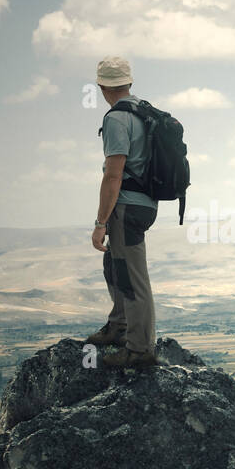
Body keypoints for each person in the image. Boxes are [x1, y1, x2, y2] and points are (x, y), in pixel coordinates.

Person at [86, 56, 158, 368]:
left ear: (101, 85)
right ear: (129, 82)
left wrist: (101, 222)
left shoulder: (117, 118)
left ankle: (140, 348)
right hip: (147, 203)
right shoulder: (146, 111)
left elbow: (113, 175)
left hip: (126, 205)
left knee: (131, 276)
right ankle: (119, 324)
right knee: (114, 264)